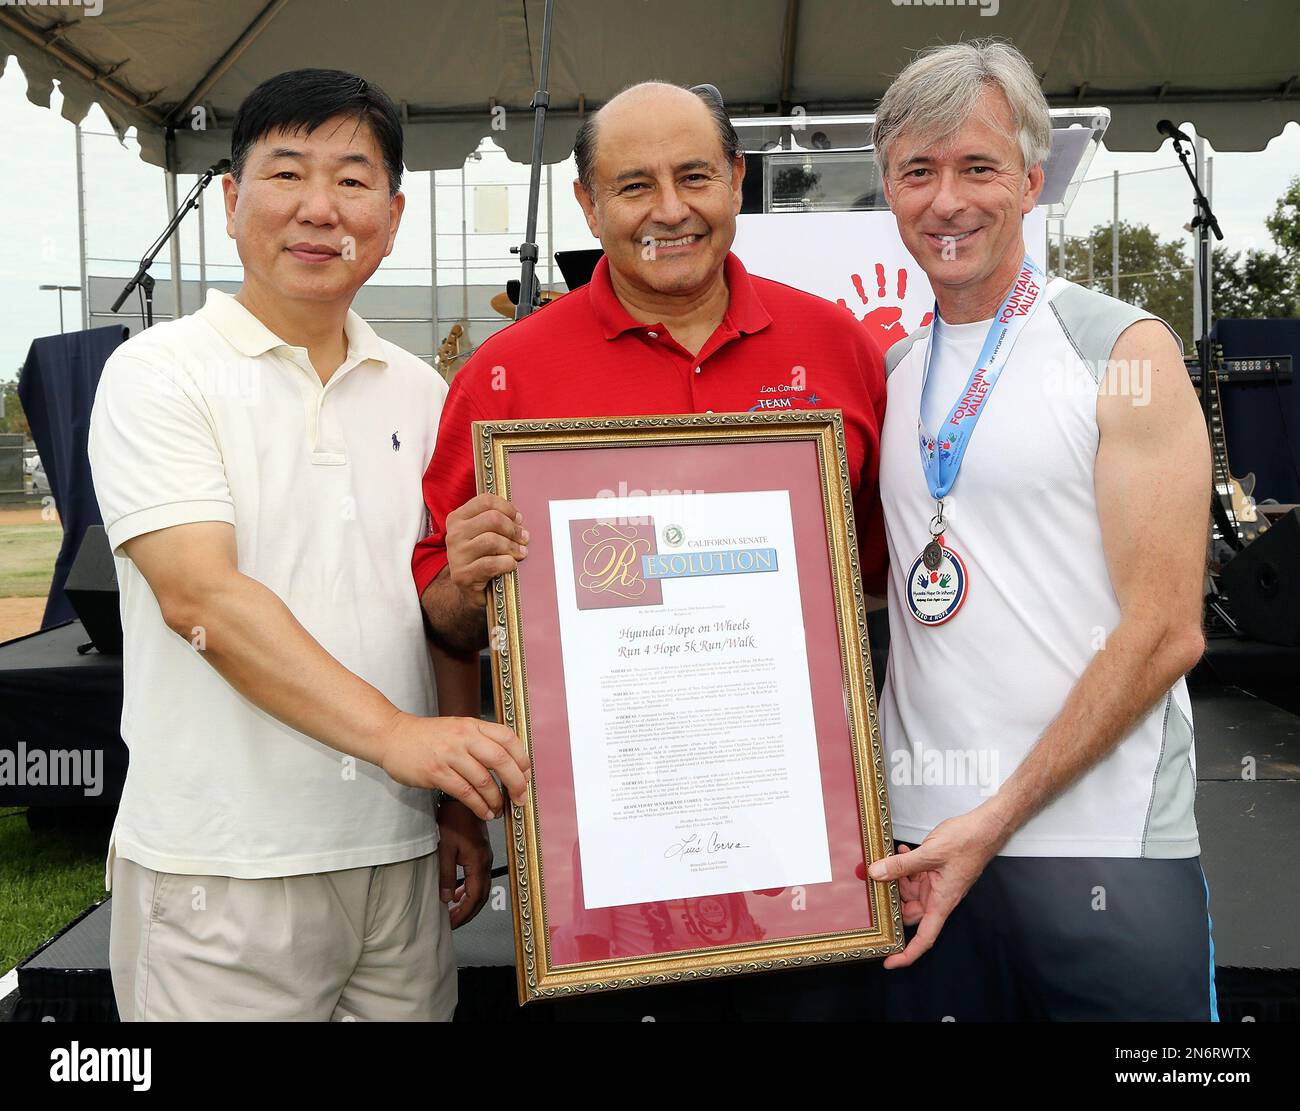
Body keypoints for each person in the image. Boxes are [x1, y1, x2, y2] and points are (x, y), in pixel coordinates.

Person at [413, 80, 889, 1019]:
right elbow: (447, 619)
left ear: (738, 183)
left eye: (696, 177)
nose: (670, 210)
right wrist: (468, 580)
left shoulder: (836, 345)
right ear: (589, 206)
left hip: (808, 862)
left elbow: (871, 581)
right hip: (596, 872)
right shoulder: (506, 376)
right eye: (634, 186)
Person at [88, 68, 528, 1022]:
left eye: (354, 180)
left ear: (395, 212)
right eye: (287, 174)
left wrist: (452, 799)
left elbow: (436, 602)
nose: (320, 209)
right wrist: (403, 740)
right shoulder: (158, 373)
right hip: (224, 864)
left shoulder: (419, 389)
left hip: (397, 856)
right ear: (235, 199)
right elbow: (201, 598)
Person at [865, 39, 1217, 1020]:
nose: (947, 201)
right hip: (926, 848)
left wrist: (994, 817)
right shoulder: (885, 376)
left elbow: (1165, 630)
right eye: (917, 172)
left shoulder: (1120, 349)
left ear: (1029, 181)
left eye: (978, 168)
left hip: (1102, 849)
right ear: (887, 190)